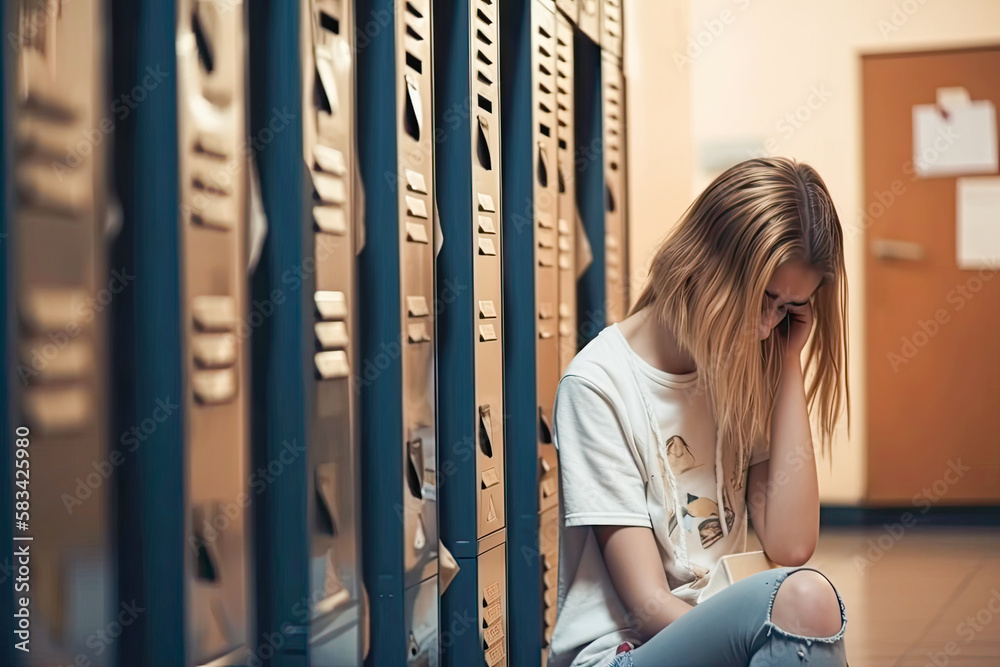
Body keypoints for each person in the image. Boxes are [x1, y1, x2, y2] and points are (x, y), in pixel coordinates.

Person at [548, 157, 850, 666]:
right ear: (706, 263)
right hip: (626, 654)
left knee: (802, 597)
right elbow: (647, 605)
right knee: (804, 600)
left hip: (719, 639)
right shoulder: (597, 385)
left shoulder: (743, 367)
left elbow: (791, 542)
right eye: (764, 299)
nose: (766, 325)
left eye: (787, 309)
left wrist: (789, 360)